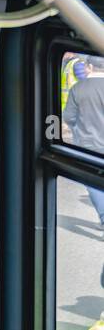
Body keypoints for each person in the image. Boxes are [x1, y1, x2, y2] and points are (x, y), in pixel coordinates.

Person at [63, 55, 104, 225]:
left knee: (93, 182)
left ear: (89, 66)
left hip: (88, 144)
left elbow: (69, 117)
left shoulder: (78, 88)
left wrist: (78, 129)